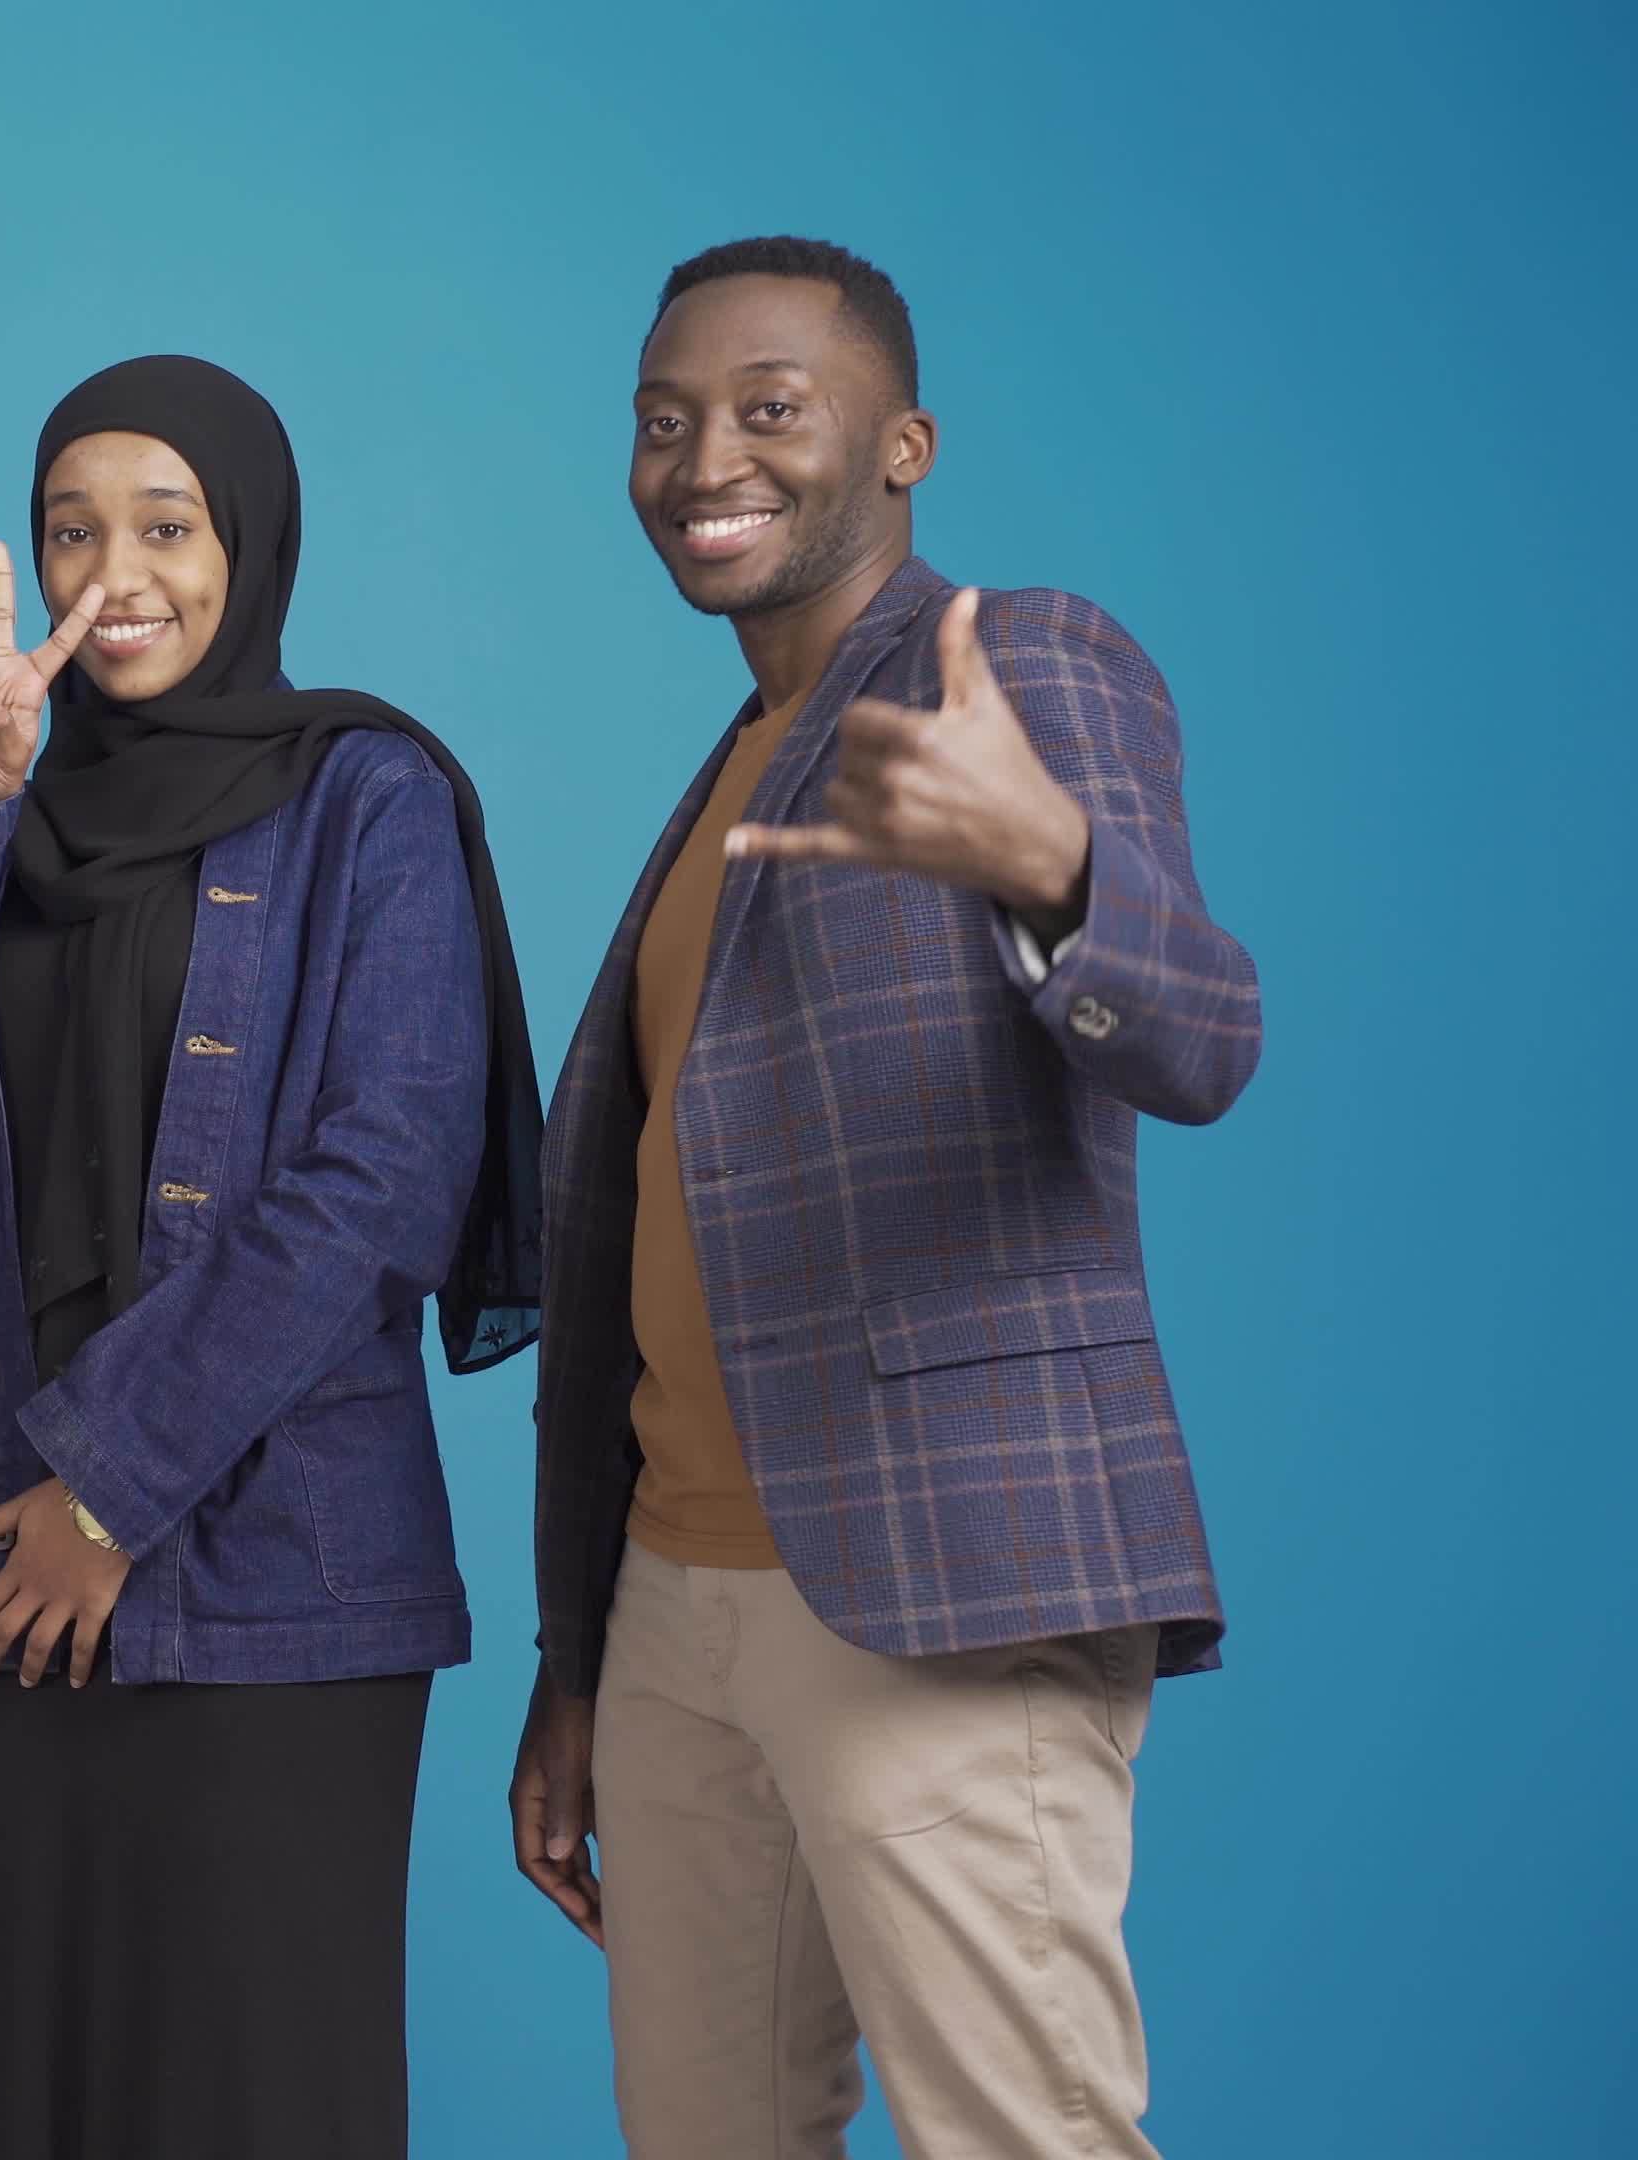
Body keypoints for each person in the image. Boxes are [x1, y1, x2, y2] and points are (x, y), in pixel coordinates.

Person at [508, 236, 1264, 2158]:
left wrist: (1055, 869)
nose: (704, 461)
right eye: (664, 420)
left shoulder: (1017, 664)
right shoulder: (738, 761)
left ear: (904, 440)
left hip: (942, 1584)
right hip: (676, 1603)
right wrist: (576, 1669)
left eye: (771, 410)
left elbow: (1200, 1037)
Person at [0, 356, 543, 2159]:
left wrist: (110, 1492)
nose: (113, 572)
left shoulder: (369, 797)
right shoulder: (0, 808)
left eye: (166, 525)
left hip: (274, 1583)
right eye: (74, 529)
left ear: (254, 544)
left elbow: (388, 1175)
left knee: (246, 2104)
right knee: (2, 2106)